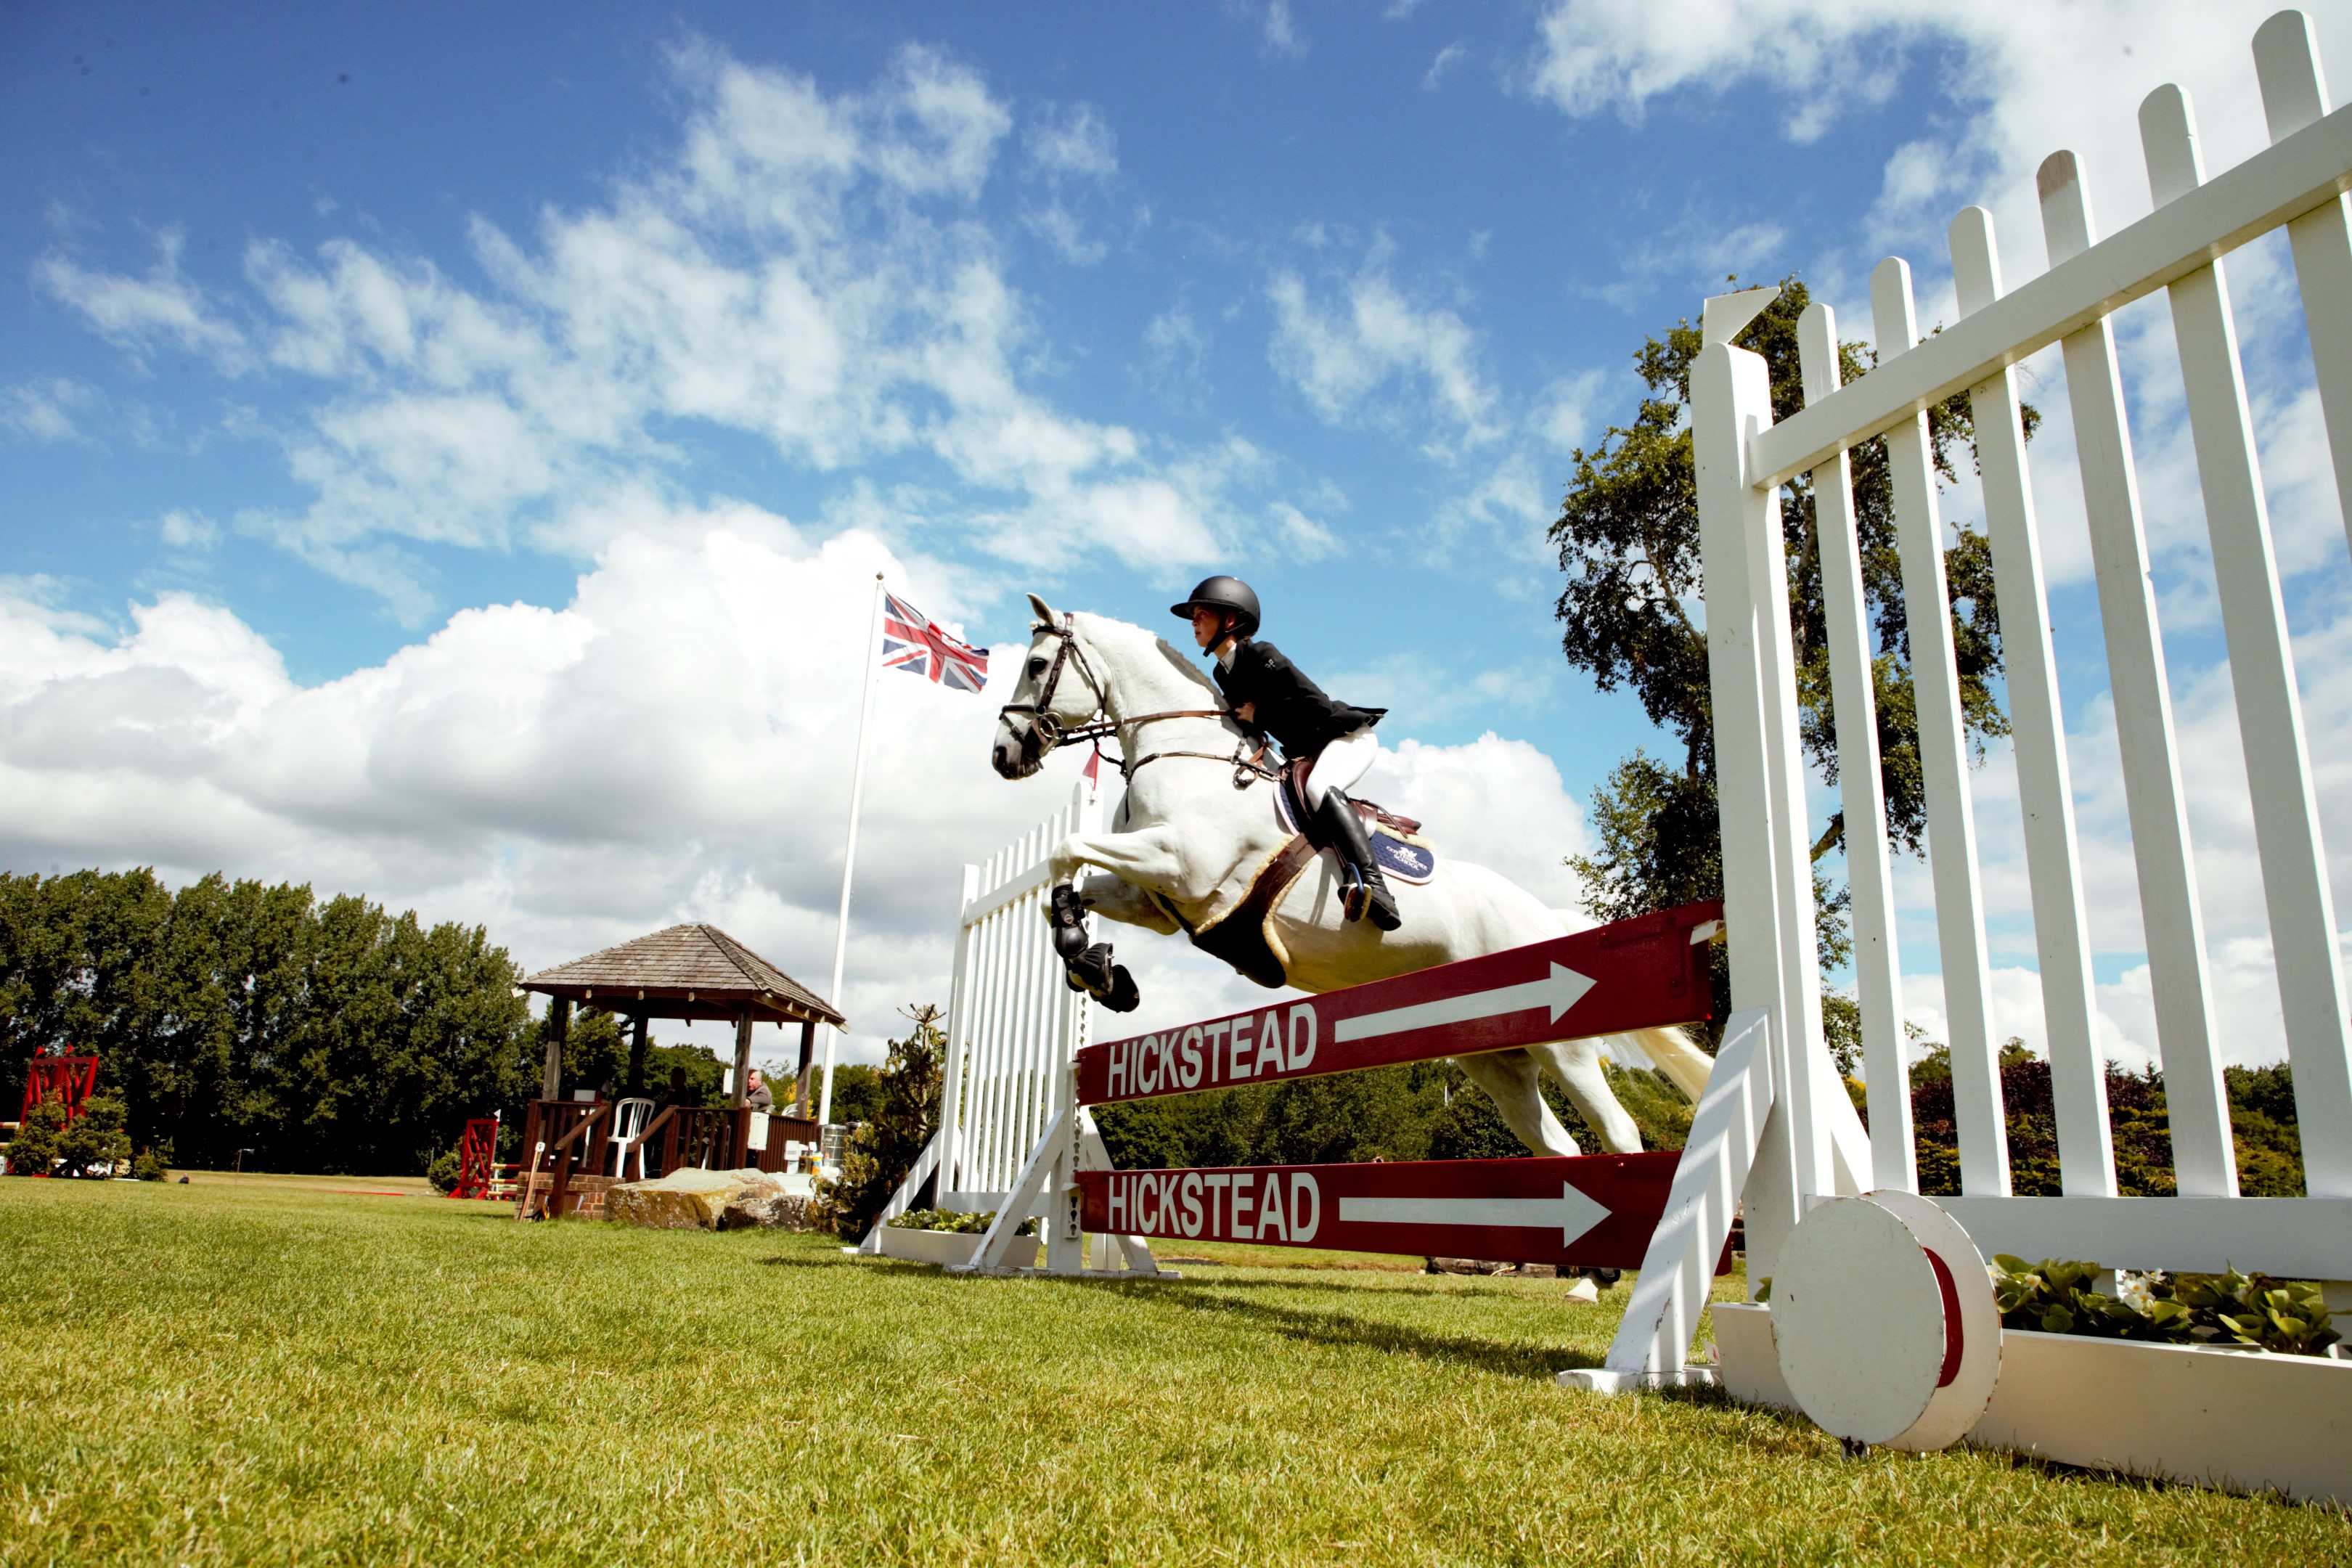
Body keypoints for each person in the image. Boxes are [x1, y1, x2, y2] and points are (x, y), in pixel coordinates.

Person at [1171, 575, 1401, 930]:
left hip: (1346, 738)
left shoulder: (1263, 655)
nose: (1194, 623)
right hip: (1306, 752)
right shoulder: (1223, 671)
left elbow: (1316, 705)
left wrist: (1259, 714)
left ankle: (1375, 885)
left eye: (1202, 614)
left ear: (1230, 620)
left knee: (1319, 789)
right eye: (1193, 617)